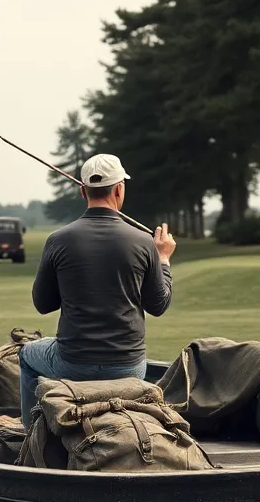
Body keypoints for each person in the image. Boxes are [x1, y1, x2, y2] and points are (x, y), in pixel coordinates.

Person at [18, 153, 175, 426]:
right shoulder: (143, 242)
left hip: (72, 362)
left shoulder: (58, 240)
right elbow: (158, 306)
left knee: (26, 355)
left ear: (82, 190)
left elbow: (43, 304)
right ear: (119, 189)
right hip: (129, 366)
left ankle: (32, 433)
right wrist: (163, 259)